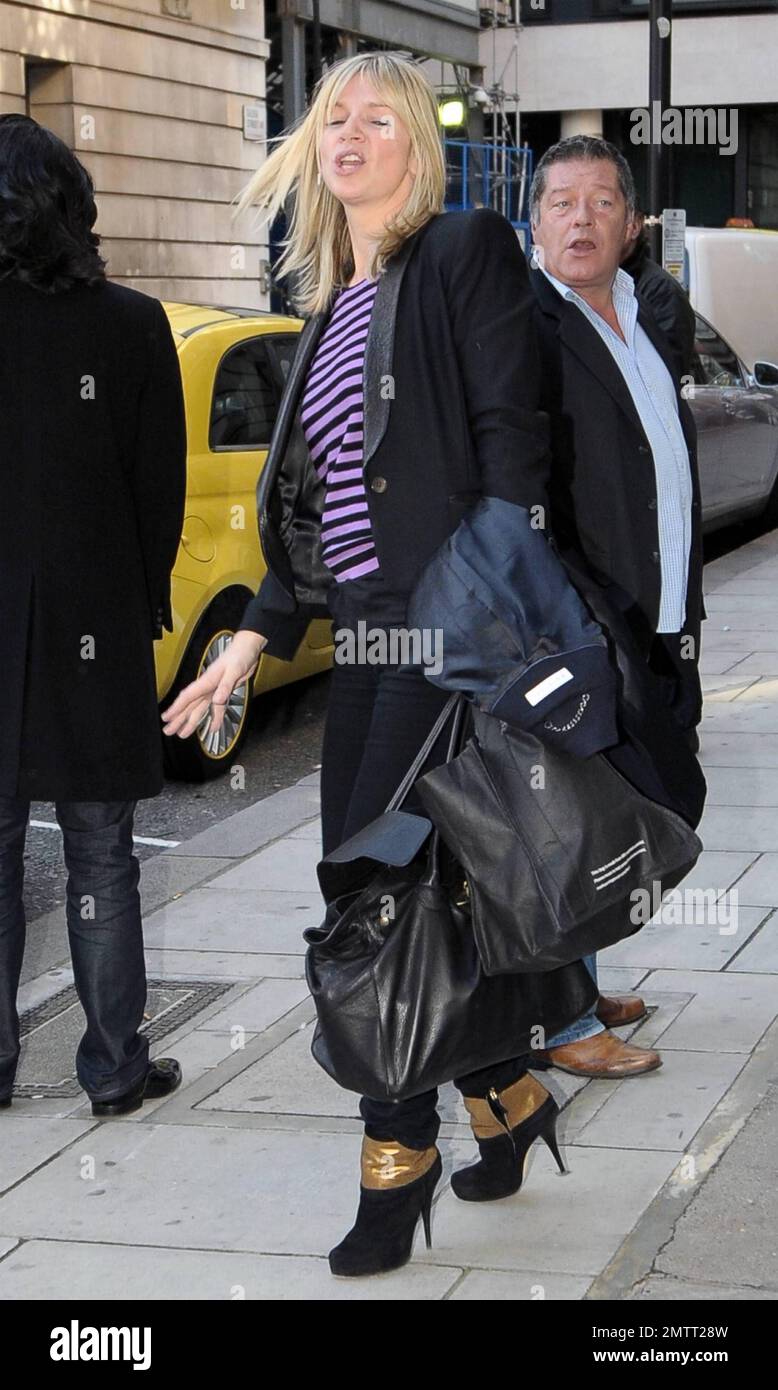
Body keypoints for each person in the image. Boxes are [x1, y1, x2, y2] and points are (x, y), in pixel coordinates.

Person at [162, 53, 598, 1279]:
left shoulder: (457, 251)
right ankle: (507, 1095)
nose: (348, 135)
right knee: (402, 888)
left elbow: (517, 440)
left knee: (373, 898)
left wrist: (482, 615)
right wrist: (243, 646)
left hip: (442, 637)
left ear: (415, 143)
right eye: (330, 120)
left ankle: (393, 1164)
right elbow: (312, 525)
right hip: (366, 637)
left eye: (375, 119)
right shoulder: (326, 308)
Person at [0, 116, 187, 1117]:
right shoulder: (129, 323)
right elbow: (159, 491)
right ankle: (114, 1064)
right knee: (99, 849)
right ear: (75, 208)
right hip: (92, 621)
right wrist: (132, 597)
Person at [527, 135, 704, 1080]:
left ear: (631, 226)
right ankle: (560, 1026)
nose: (582, 219)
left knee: (626, 814)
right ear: (536, 223)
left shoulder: (641, 315)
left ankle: (583, 982)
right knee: (574, 825)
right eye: (562, 203)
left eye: (601, 203)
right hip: (583, 627)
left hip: (660, 615)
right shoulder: (528, 326)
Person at [621, 208, 697, 381]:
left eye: (607, 207)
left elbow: (665, 374)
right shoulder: (593, 283)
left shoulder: (662, 292)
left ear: (634, 226)